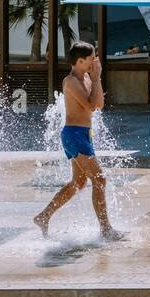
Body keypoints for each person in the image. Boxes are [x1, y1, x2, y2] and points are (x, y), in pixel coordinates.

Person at [33, 42, 123, 242]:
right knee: (99, 179)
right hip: (73, 134)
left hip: (83, 134)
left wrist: (96, 79)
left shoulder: (87, 78)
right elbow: (91, 105)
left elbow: (98, 105)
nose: (95, 62)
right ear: (81, 61)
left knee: (79, 182)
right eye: (92, 58)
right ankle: (106, 230)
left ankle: (44, 216)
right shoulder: (71, 81)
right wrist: (97, 77)